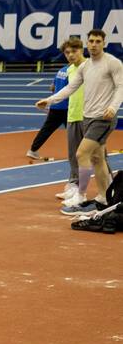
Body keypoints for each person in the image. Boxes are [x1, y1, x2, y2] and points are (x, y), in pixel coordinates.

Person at [38, 28, 123, 215]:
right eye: (91, 41)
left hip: (103, 118)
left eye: (98, 41)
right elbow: (70, 88)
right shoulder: (85, 67)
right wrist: (50, 100)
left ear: (104, 43)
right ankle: (104, 197)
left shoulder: (113, 63)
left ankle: (81, 196)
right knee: (97, 158)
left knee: (81, 154)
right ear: (88, 43)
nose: (94, 44)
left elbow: (120, 87)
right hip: (87, 117)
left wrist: (113, 107)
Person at [28, 39, 75, 164]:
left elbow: (52, 87)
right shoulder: (74, 71)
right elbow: (72, 89)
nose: (70, 55)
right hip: (67, 107)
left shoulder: (61, 70)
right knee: (76, 132)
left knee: (46, 130)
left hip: (55, 106)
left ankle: (33, 149)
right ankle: (82, 153)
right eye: (67, 52)